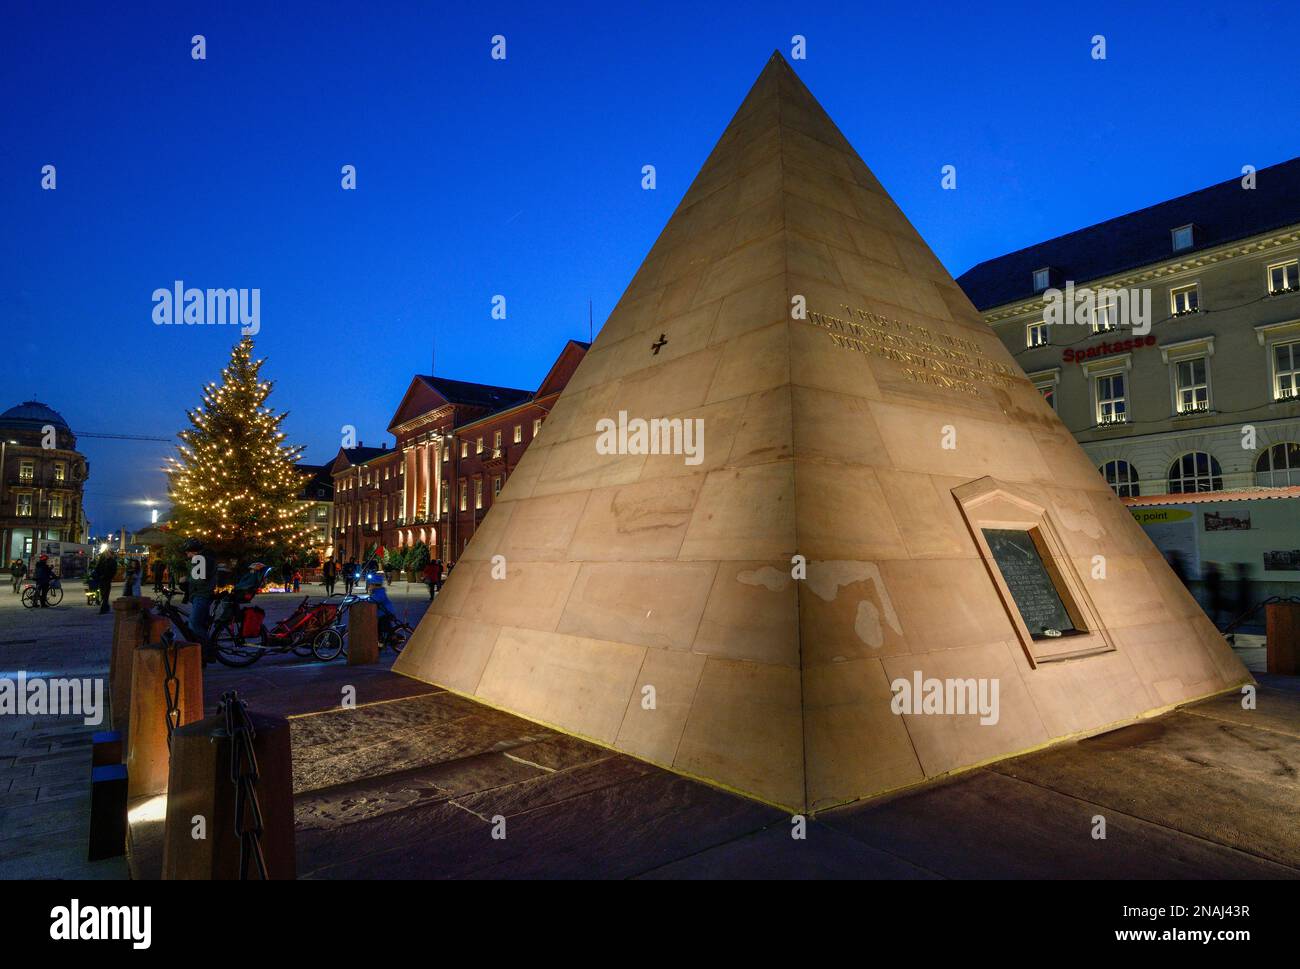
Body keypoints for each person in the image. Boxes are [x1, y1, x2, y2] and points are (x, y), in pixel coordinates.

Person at [182, 538, 216, 645]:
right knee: (200, 624)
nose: (186, 554)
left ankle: (208, 649)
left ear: (193, 551)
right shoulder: (202, 559)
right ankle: (201, 650)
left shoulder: (201, 559)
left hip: (202, 595)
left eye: (187, 552)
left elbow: (200, 579)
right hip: (201, 595)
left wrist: (186, 579)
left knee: (194, 624)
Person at [91, 549, 116, 614]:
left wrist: (108, 576)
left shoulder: (112, 561)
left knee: (105, 595)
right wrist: (98, 575)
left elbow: (113, 571)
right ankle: (106, 607)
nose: (107, 554)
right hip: (101, 580)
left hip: (107, 580)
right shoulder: (102, 561)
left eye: (108, 553)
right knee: (103, 595)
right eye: (106, 553)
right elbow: (97, 568)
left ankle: (103, 609)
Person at [1203, 561, 1225, 628]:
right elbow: (1211, 586)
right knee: (1214, 612)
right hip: (1214, 596)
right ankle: (1213, 624)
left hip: (1215, 596)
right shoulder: (1211, 575)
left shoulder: (1212, 575)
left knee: (1215, 612)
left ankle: (1214, 624)